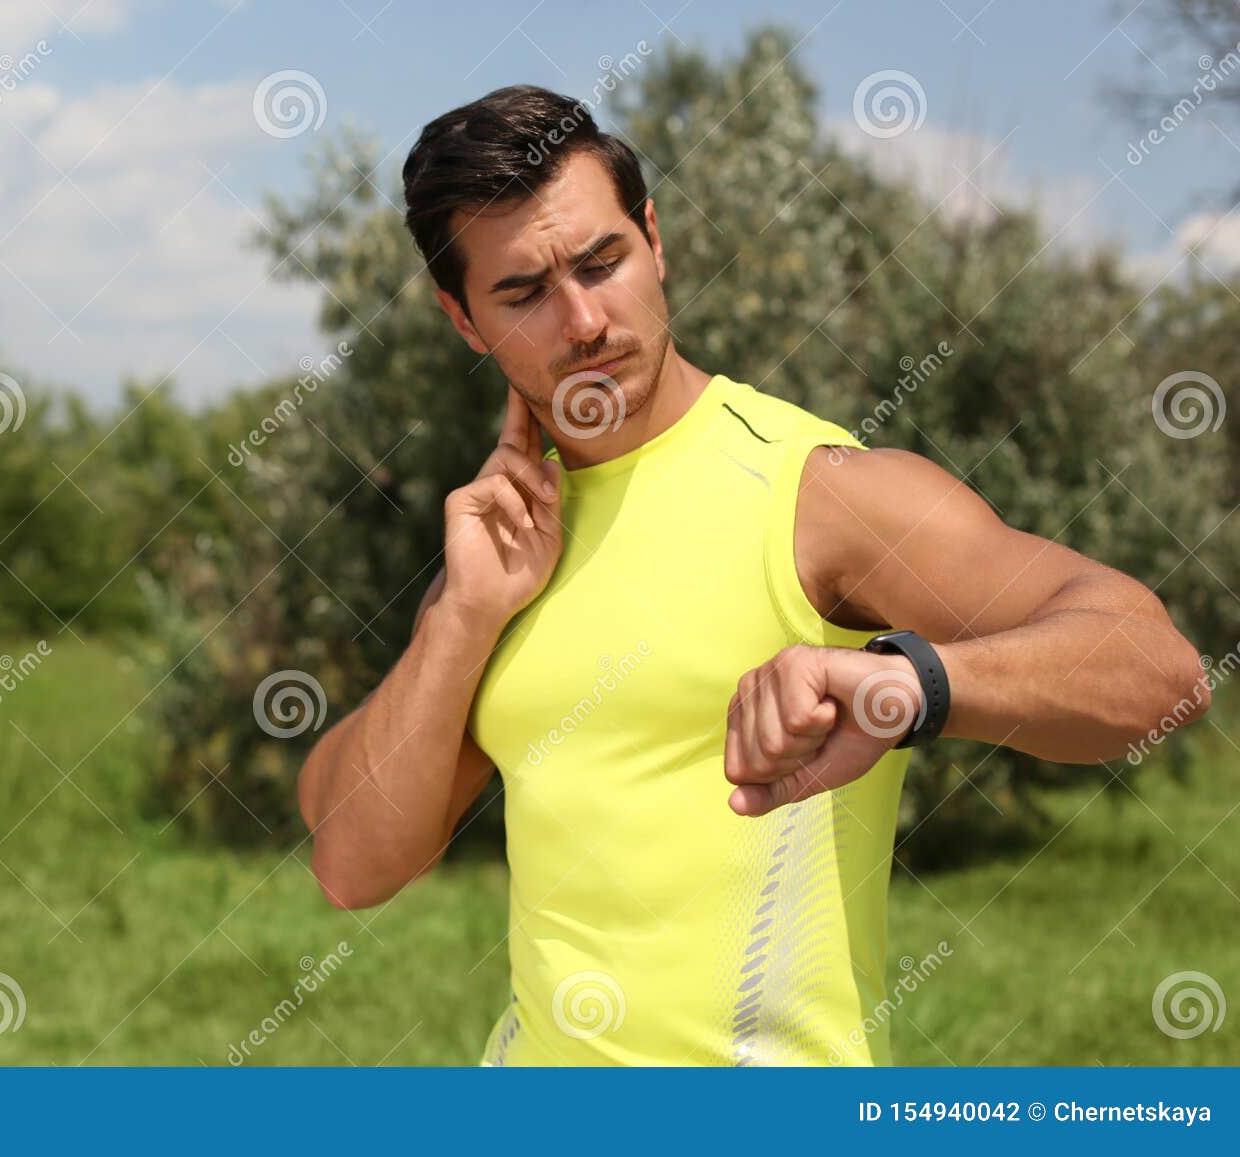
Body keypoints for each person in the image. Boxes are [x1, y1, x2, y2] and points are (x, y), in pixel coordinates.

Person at [295, 85, 1209, 1065]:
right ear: (464, 320)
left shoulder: (817, 494)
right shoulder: (511, 540)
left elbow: (1157, 667)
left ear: (654, 239)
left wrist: (915, 681)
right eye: (524, 294)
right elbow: (352, 864)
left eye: (603, 263)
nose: (584, 320)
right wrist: (460, 615)